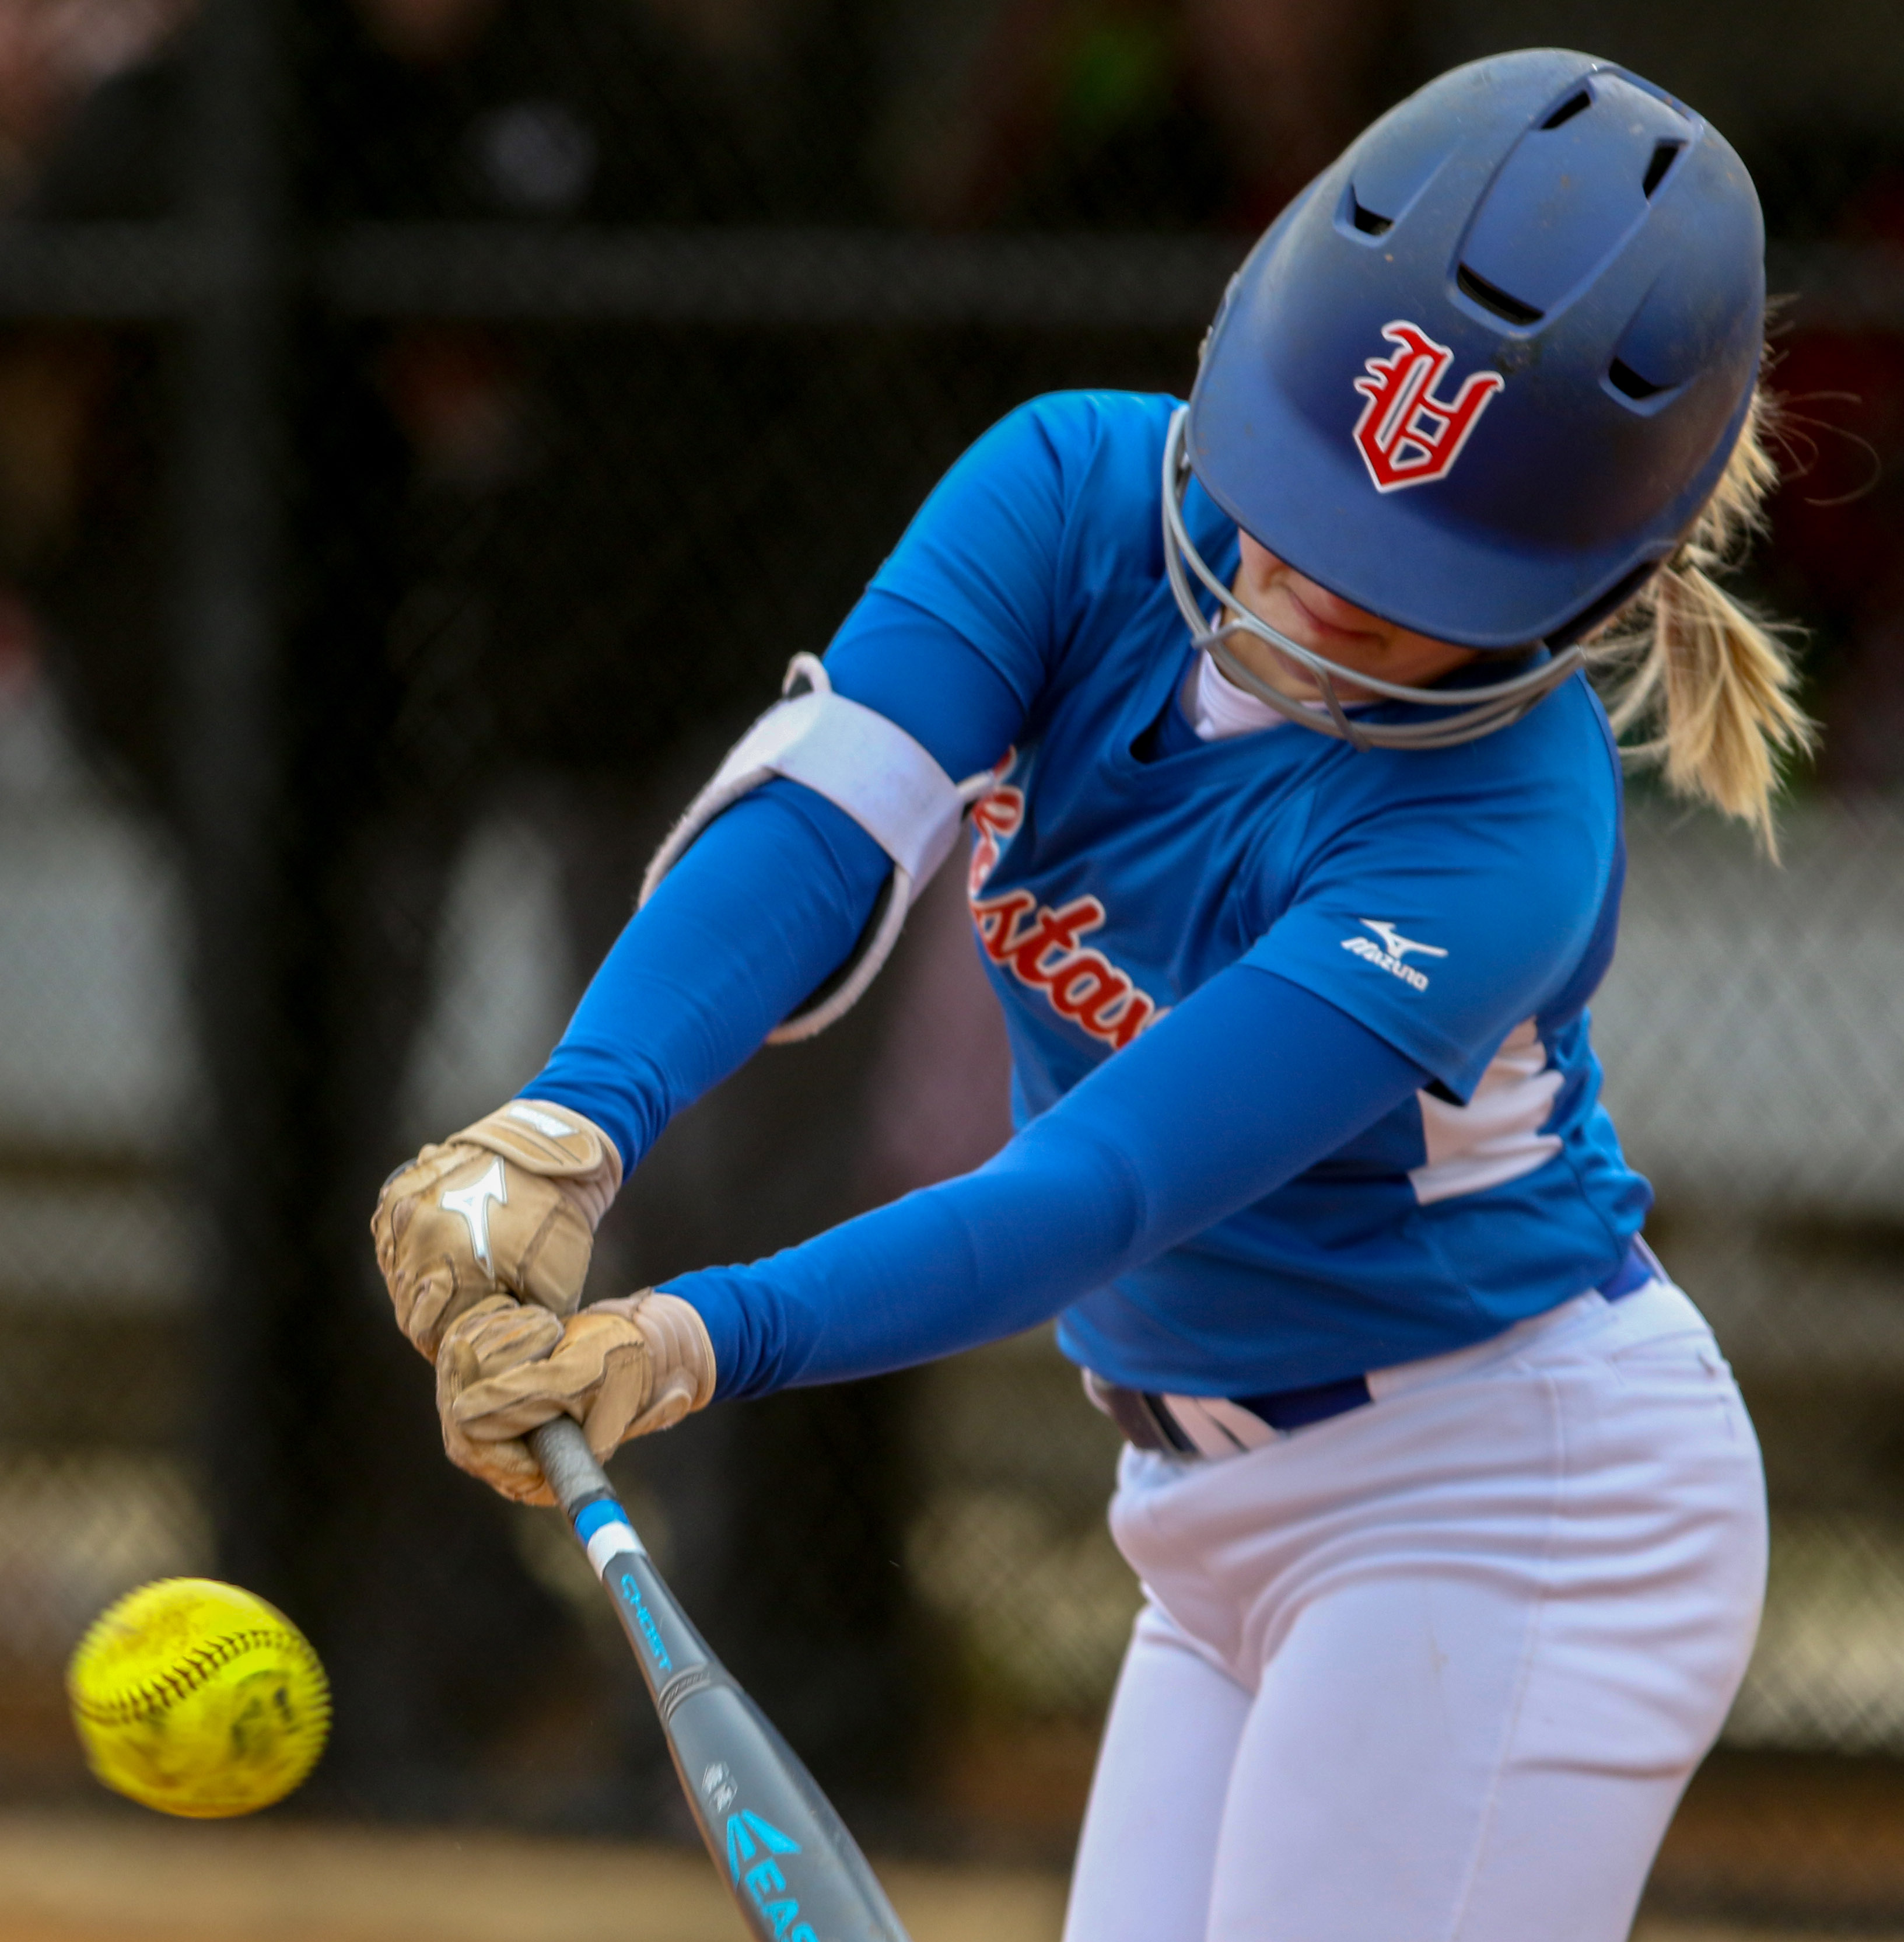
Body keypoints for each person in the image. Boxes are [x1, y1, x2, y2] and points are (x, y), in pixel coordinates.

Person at [374, 48, 1810, 1941]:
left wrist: (689, 1340)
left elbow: (1101, 1187)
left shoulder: (1497, 834)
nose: (1300, 592)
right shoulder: (1068, 485)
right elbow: (826, 818)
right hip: (1208, 1516)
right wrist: (573, 1121)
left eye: (1398, 590)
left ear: (1589, 593)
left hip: (1496, 1511)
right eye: (1298, 501)